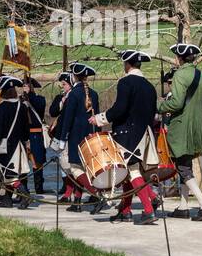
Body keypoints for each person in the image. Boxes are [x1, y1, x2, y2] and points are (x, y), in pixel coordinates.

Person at [92, 50, 162, 225]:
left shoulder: (125, 83)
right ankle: (126, 210)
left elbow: (119, 109)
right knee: (129, 171)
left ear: (127, 64)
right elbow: (153, 113)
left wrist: (100, 118)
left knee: (131, 171)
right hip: (144, 133)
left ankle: (148, 209)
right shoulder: (149, 86)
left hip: (127, 133)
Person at [159, 41, 202, 221]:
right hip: (198, 127)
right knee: (186, 165)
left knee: (182, 166)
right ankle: (183, 206)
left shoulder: (180, 75)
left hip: (181, 126)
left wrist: (160, 105)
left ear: (179, 58)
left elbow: (176, 103)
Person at [57, 63, 102, 212]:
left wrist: (62, 138)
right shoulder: (94, 93)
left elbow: (67, 118)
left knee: (76, 169)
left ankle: (97, 193)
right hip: (90, 134)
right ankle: (77, 200)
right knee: (85, 170)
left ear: (74, 76)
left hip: (76, 136)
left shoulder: (74, 94)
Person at [0, 75, 33, 208]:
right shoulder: (22, 106)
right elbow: (26, 128)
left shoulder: (3, 107)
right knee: (9, 174)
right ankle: (7, 200)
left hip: (5, 146)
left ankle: (26, 196)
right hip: (19, 145)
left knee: (9, 175)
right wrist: (26, 141)